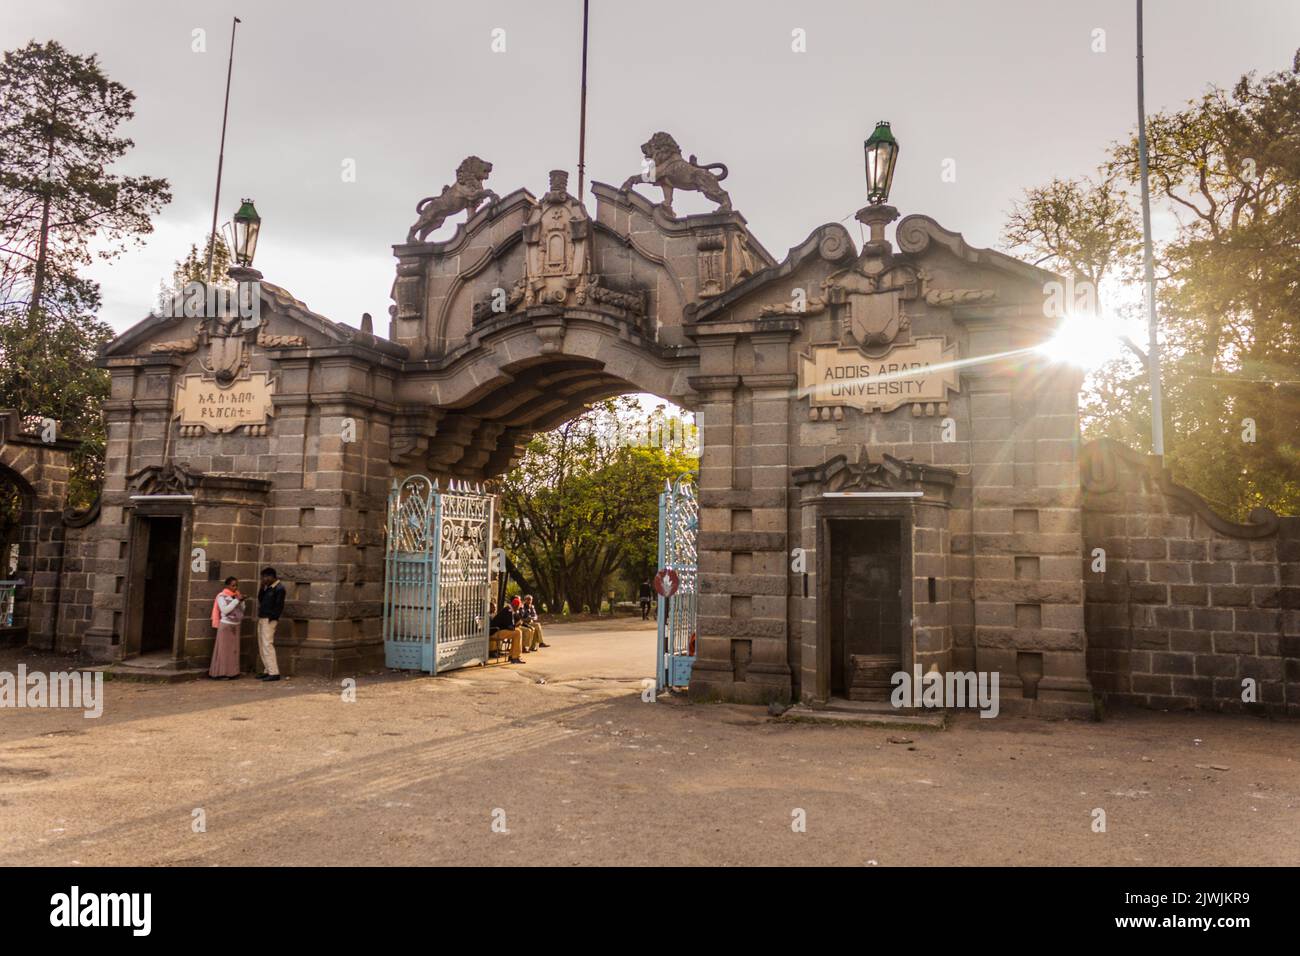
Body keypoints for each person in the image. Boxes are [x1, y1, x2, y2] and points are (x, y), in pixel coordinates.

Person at [209, 577, 243, 679]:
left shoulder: (237, 595)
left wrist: (242, 601)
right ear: (227, 586)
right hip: (225, 625)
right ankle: (220, 673)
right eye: (233, 585)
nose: (235, 587)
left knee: (233, 650)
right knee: (223, 651)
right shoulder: (221, 596)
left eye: (236, 585)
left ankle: (232, 673)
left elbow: (241, 610)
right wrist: (236, 601)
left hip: (236, 625)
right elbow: (225, 610)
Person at [256, 567, 285, 682]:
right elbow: (261, 600)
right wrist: (262, 588)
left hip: (269, 619)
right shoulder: (268, 587)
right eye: (263, 577)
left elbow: (279, 606)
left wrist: (273, 617)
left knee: (267, 645)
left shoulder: (279, 588)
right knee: (262, 645)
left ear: (272, 576)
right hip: (263, 617)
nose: (264, 579)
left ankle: (274, 672)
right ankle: (267, 670)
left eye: (266, 577)